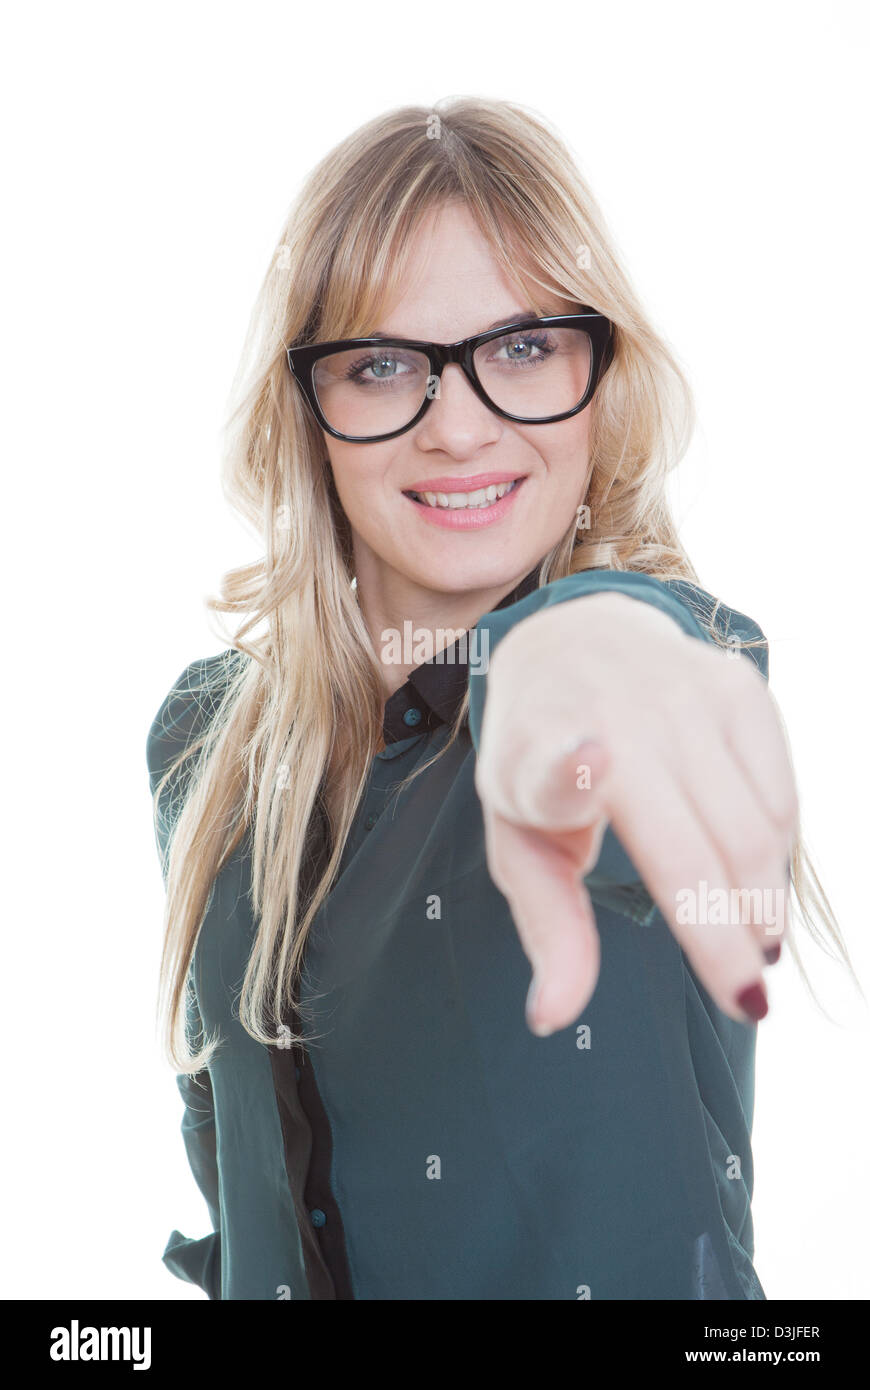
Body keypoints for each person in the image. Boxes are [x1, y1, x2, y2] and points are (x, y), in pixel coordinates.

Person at [146, 97, 849, 1301]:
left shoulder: (650, 662)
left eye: (524, 349)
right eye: (382, 364)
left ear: (600, 376)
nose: (460, 427)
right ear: (309, 408)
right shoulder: (207, 742)